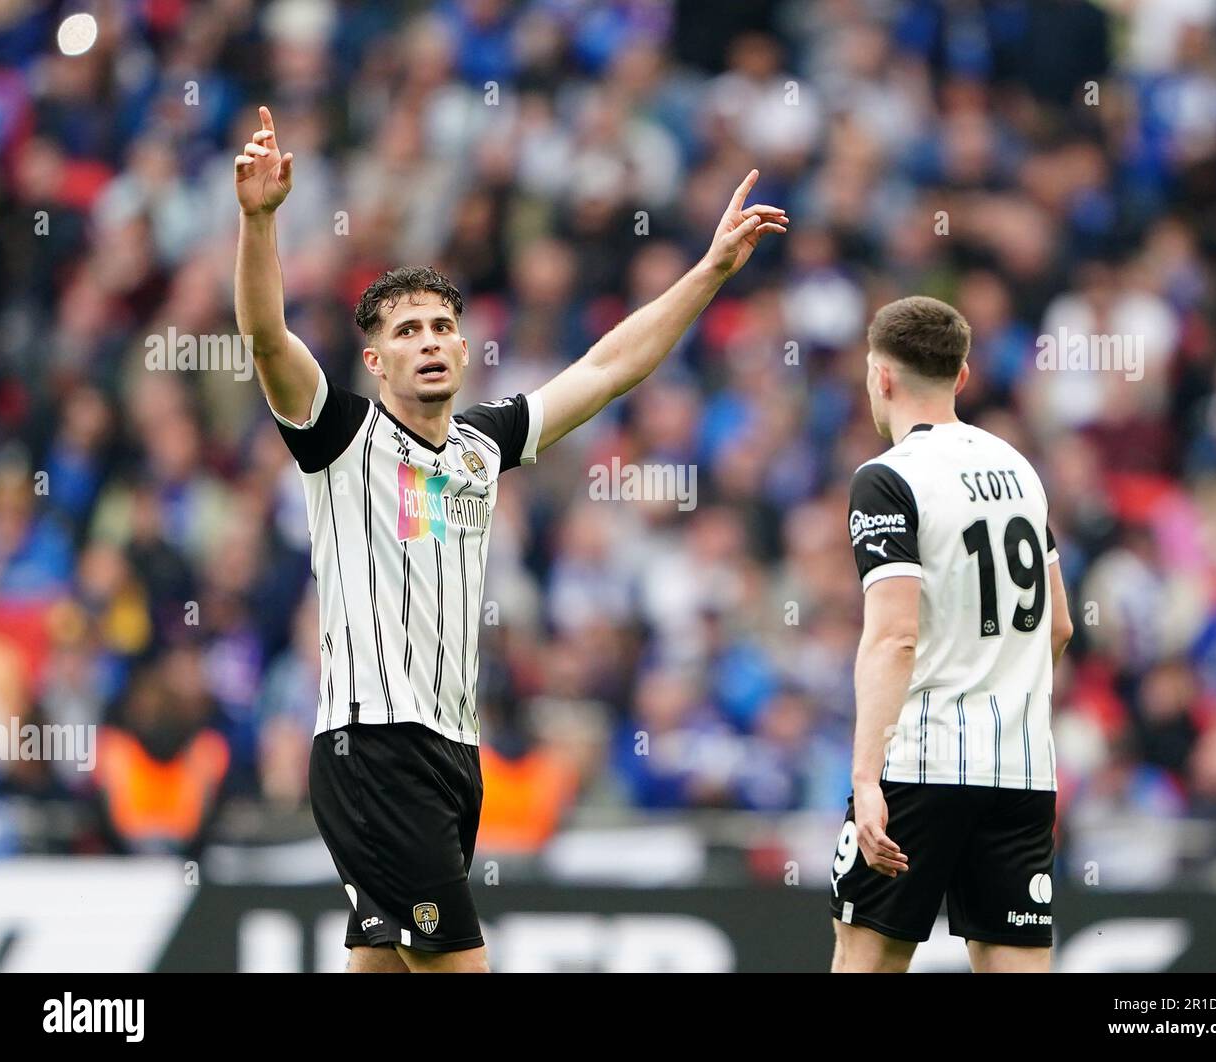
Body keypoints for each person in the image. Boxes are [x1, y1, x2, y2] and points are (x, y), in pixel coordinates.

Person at [233, 106, 787, 972]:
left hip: (452, 752)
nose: (428, 344)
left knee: (379, 965)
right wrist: (261, 222)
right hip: (375, 745)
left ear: (464, 347)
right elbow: (268, 340)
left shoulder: (482, 445)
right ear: (374, 362)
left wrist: (710, 271)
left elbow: (608, 368)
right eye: (405, 332)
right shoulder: (341, 440)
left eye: (440, 328)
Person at [830, 295, 1074, 973]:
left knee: (866, 960)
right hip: (1022, 769)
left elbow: (893, 638)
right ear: (962, 376)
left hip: (920, 766)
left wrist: (865, 776)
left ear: (881, 376)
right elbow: (1058, 624)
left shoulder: (887, 479)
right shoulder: (1020, 470)